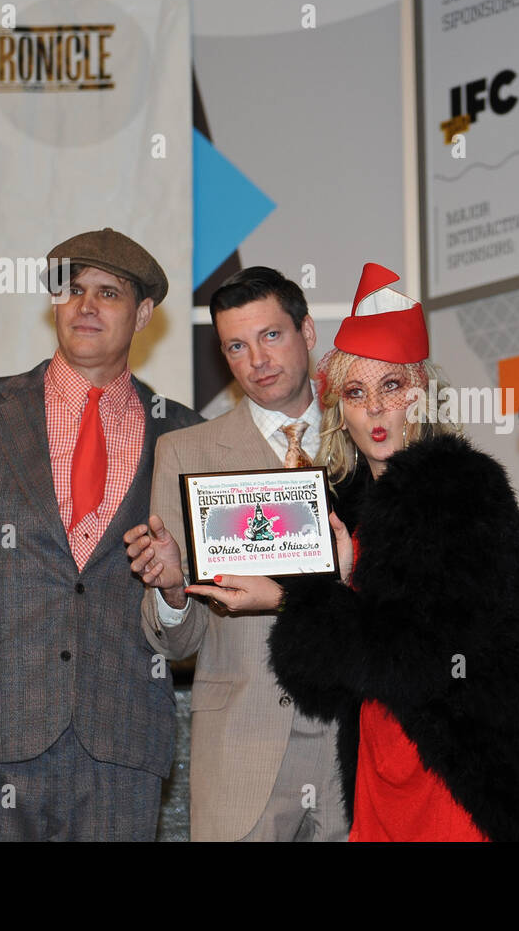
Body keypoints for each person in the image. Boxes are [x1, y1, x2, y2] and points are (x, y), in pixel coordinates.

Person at [193, 262, 519, 840]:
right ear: (338, 410)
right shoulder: (339, 506)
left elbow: (417, 657)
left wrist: (321, 592)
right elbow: (315, 682)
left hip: (458, 774)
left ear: (420, 394)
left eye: (390, 387)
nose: (374, 408)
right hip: (379, 764)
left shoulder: (460, 485)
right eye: (355, 391)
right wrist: (286, 595)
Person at [0, 228, 201, 840]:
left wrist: (175, 591)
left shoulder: (185, 437)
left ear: (143, 314)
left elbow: (194, 626)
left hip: (123, 743)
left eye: (107, 293)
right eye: (72, 289)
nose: (85, 305)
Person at [123, 266, 346, 842]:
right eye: (237, 347)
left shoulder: (369, 438)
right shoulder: (185, 452)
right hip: (243, 745)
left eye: (271, 336)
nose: (257, 360)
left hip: (360, 740)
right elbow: (176, 641)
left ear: (307, 331)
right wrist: (172, 590)